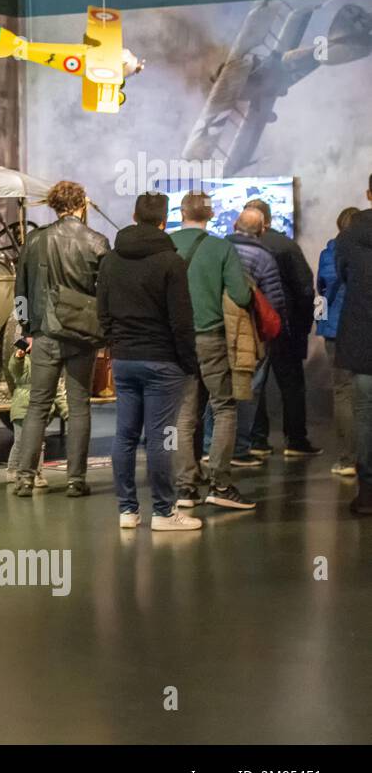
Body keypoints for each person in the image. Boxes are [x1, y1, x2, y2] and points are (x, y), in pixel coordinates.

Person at [97, 192, 198, 529]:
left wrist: (116, 344)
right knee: (161, 436)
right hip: (162, 362)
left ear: (133, 215)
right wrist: (189, 362)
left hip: (124, 359)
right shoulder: (172, 262)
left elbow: (102, 312)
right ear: (164, 221)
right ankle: (164, 512)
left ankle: (127, 511)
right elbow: (181, 321)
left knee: (124, 436)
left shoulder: (111, 260)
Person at [13, 180, 110, 497]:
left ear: (54, 206)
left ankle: (25, 478)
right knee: (79, 405)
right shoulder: (97, 241)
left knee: (38, 406)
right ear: (82, 204)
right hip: (83, 336)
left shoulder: (35, 240)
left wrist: (27, 330)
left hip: (43, 334)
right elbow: (105, 294)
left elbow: (21, 293)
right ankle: (76, 480)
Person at [168, 192, 256, 511]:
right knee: (224, 408)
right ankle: (220, 483)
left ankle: (185, 488)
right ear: (210, 214)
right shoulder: (221, 247)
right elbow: (241, 295)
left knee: (184, 414)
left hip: (176, 343)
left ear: (181, 212)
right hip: (212, 338)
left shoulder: (166, 246)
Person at [243, 198, 320, 457]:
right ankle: (295, 440)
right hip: (283, 327)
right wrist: (303, 325)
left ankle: (257, 441)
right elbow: (305, 289)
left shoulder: (232, 248)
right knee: (292, 385)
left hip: (250, 328)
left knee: (253, 387)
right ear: (269, 219)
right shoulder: (285, 246)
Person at [224, 207, 289, 462]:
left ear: (234, 225)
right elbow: (274, 301)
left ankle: (211, 446)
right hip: (251, 334)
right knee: (248, 391)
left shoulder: (218, 249)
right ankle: (240, 448)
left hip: (221, 329)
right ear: (263, 230)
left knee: (219, 392)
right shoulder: (265, 257)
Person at [334, 177, 372, 515]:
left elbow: (342, 277)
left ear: (369, 194)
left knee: (365, 418)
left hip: (364, 342)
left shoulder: (347, 238)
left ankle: (367, 493)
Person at [317, 206, 362, 478]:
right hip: (363, 328)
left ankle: (348, 459)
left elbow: (322, 292)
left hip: (336, 330)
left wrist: (319, 323)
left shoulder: (330, 253)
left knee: (343, 393)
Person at [5, 335, 68, 487]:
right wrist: (18, 356)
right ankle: (13, 469)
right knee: (20, 441)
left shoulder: (49, 364)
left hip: (41, 410)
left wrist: (67, 412)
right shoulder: (24, 361)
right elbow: (14, 369)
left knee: (38, 443)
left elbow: (57, 391)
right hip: (22, 408)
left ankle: (37, 473)